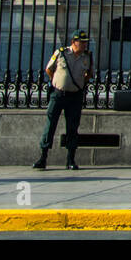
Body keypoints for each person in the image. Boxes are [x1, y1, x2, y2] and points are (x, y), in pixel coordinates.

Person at [33, 30, 94, 170]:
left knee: (72, 127)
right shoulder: (61, 53)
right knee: (50, 125)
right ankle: (43, 157)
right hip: (58, 94)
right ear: (74, 42)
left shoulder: (87, 57)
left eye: (85, 42)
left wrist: (78, 84)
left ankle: (70, 159)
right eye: (81, 42)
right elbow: (49, 69)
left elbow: (89, 74)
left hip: (75, 95)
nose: (84, 45)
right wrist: (57, 81)